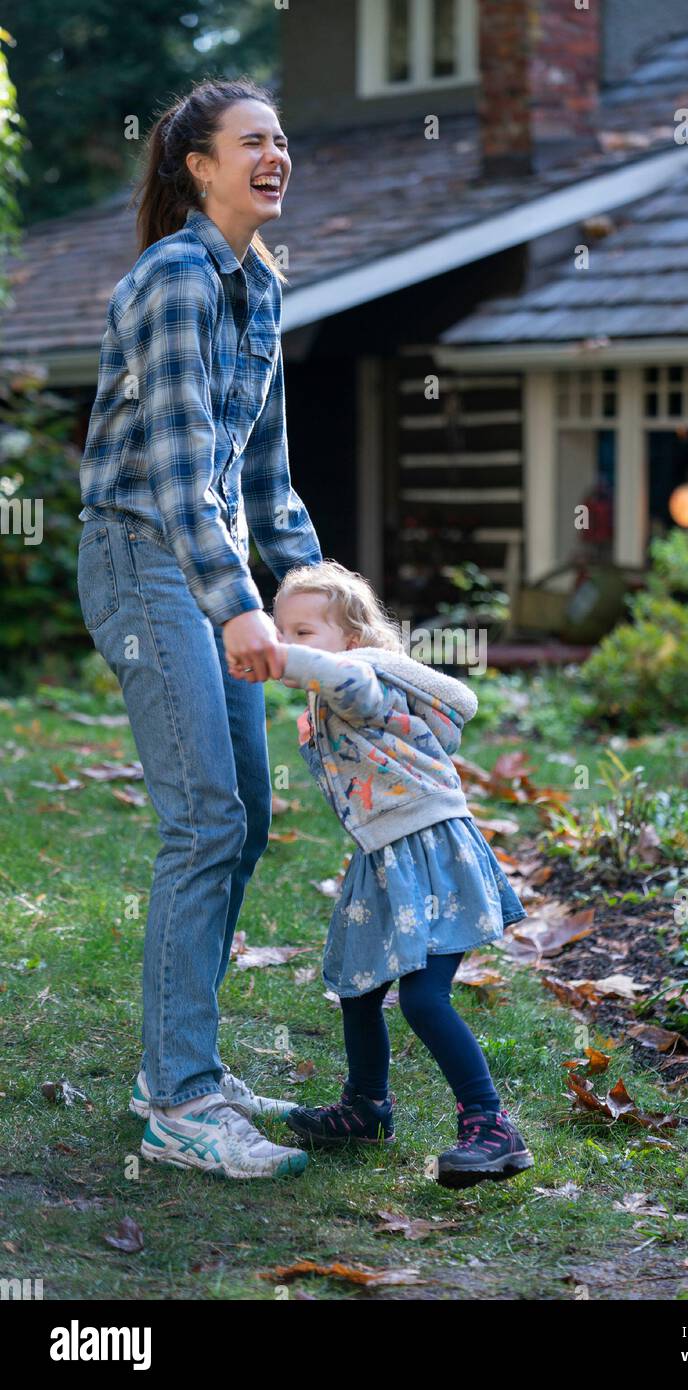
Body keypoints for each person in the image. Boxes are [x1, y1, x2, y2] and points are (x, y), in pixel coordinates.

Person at [77, 78, 320, 1179]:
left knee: (250, 815)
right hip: (141, 558)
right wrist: (238, 606)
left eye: (281, 141)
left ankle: (182, 1065)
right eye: (250, 143)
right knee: (203, 820)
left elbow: (262, 483)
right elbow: (181, 476)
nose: (274, 156)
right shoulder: (176, 278)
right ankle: (178, 1097)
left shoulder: (259, 286)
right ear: (197, 166)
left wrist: (321, 594)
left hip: (197, 563)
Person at [264, 559, 534, 1189]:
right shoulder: (330, 686)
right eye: (281, 630)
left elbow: (344, 683)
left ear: (351, 639)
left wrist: (281, 658)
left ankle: (492, 1126)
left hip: (432, 851)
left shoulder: (361, 678)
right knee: (358, 986)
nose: (288, 644)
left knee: (422, 997)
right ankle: (366, 1108)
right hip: (385, 854)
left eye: (304, 633)